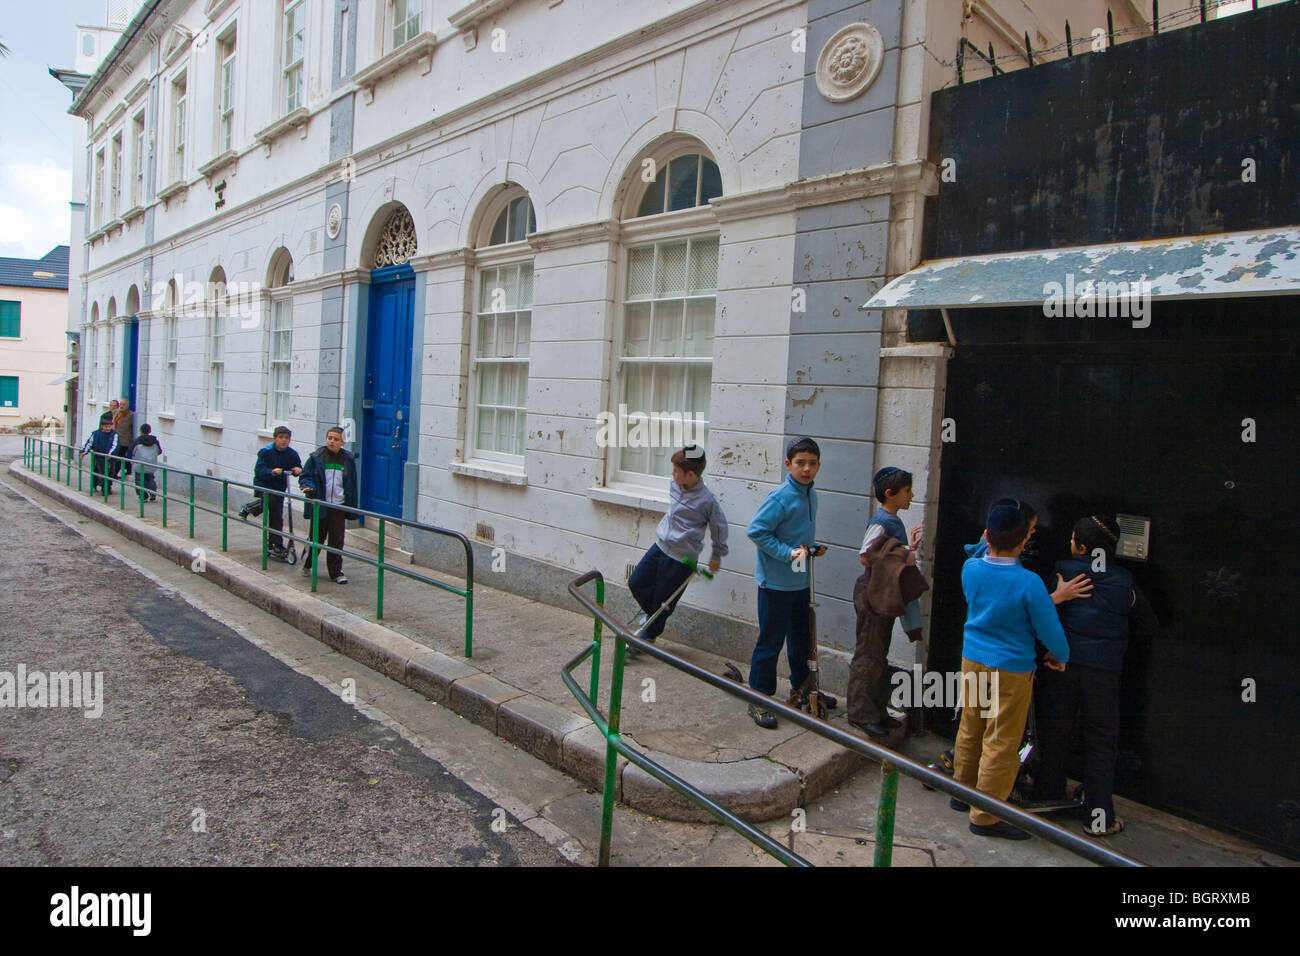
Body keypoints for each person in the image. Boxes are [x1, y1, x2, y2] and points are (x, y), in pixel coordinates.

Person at [951, 503, 1071, 840]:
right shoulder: (1029, 583)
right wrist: (1060, 655)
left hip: (973, 659)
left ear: (987, 535)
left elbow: (976, 551)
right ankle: (985, 816)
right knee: (1001, 741)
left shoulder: (970, 569)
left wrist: (989, 537)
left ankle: (961, 791)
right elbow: (1049, 630)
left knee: (971, 725)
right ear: (1024, 543)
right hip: (1011, 670)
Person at [1036, 515, 1159, 837]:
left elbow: (1043, 615)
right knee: (1102, 742)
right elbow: (1149, 625)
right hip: (1103, 672)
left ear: (1081, 546)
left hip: (1060, 665)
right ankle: (1099, 816)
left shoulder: (1063, 571)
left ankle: (1049, 797)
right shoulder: (1125, 581)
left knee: (1055, 731)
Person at [744, 436, 826, 729]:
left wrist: (811, 548)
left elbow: (797, 535)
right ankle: (759, 698)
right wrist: (787, 553)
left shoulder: (810, 494)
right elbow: (757, 532)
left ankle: (802, 688)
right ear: (788, 464)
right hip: (775, 585)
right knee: (771, 642)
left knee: (801, 640)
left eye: (812, 463)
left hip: (800, 583)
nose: (806, 469)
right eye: (800, 463)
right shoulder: (780, 497)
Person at [626, 445, 728, 657]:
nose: (672, 475)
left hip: (682, 558)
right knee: (636, 582)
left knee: (663, 603)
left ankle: (647, 635)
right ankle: (650, 621)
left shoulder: (707, 500)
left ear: (691, 475)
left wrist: (717, 554)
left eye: (676, 472)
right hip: (661, 545)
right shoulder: (675, 484)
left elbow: (719, 527)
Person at [849, 466, 926, 738]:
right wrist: (902, 553)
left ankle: (877, 710)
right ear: (891, 494)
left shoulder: (892, 520)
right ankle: (860, 713)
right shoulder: (882, 521)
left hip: (883, 593)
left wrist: (908, 549)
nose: (912, 496)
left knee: (879, 655)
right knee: (869, 655)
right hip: (873, 593)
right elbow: (865, 556)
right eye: (907, 491)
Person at [298, 426, 357, 584]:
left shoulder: (348, 460)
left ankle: (336, 572)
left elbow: (351, 484)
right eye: (329, 438)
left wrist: (351, 506)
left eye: (336, 439)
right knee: (316, 538)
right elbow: (305, 475)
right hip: (320, 505)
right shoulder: (316, 457)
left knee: (337, 541)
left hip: (338, 505)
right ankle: (307, 564)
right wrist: (307, 485)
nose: (331, 441)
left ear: (342, 442)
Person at [254, 426, 303, 558]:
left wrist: (298, 470)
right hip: (263, 485)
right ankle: (247, 508)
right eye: (281, 437)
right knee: (269, 501)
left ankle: (276, 544)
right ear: (275, 438)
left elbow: (298, 466)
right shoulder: (266, 451)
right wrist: (271, 472)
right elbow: (259, 470)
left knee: (277, 516)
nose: (283, 440)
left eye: (286, 438)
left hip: (279, 488)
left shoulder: (292, 454)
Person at [79, 415, 120, 495]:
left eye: (109, 426)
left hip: (109, 458)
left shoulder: (114, 434)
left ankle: (107, 488)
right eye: (106, 426)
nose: (108, 428)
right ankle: (103, 488)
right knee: (101, 472)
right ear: (102, 426)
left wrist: (110, 454)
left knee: (109, 473)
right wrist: (84, 452)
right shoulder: (96, 434)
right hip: (99, 457)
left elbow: (115, 445)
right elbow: (90, 443)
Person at [131, 424, 162, 502]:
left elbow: (131, 450)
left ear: (140, 431)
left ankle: (143, 497)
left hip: (139, 464)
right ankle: (153, 494)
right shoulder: (155, 441)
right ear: (150, 431)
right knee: (150, 478)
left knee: (139, 480)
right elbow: (159, 451)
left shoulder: (138, 440)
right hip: (151, 464)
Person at [113, 399, 135, 478]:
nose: (121, 406)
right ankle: (126, 469)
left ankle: (115, 473)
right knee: (118, 456)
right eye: (121, 404)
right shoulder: (115, 412)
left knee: (120, 456)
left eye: (124, 404)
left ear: (127, 405)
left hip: (124, 440)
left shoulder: (131, 415)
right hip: (115, 439)